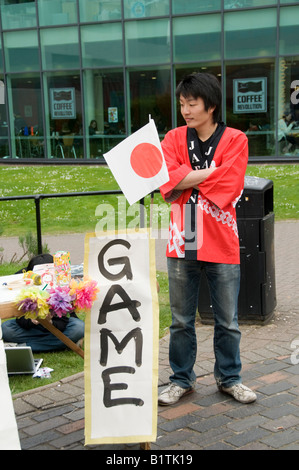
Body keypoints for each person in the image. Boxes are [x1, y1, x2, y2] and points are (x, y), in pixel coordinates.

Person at [158, 72, 257, 406]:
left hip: (221, 236)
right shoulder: (172, 138)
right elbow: (166, 182)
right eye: (182, 104)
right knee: (181, 320)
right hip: (182, 234)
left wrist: (185, 179)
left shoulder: (235, 139)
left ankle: (230, 379)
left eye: (192, 103)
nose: (186, 110)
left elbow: (231, 185)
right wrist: (211, 173)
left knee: (227, 320)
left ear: (211, 105)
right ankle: (180, 380)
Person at [2, 313, 84, 353]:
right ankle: (66, 344)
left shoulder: (60, 290)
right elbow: (20, 317)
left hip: (57, 329)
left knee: (79, 327)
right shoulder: (26, 290)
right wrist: (31, 321)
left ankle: (23, 347)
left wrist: (50, 322)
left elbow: (64, 321)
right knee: (5, 328)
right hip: (32, 330)